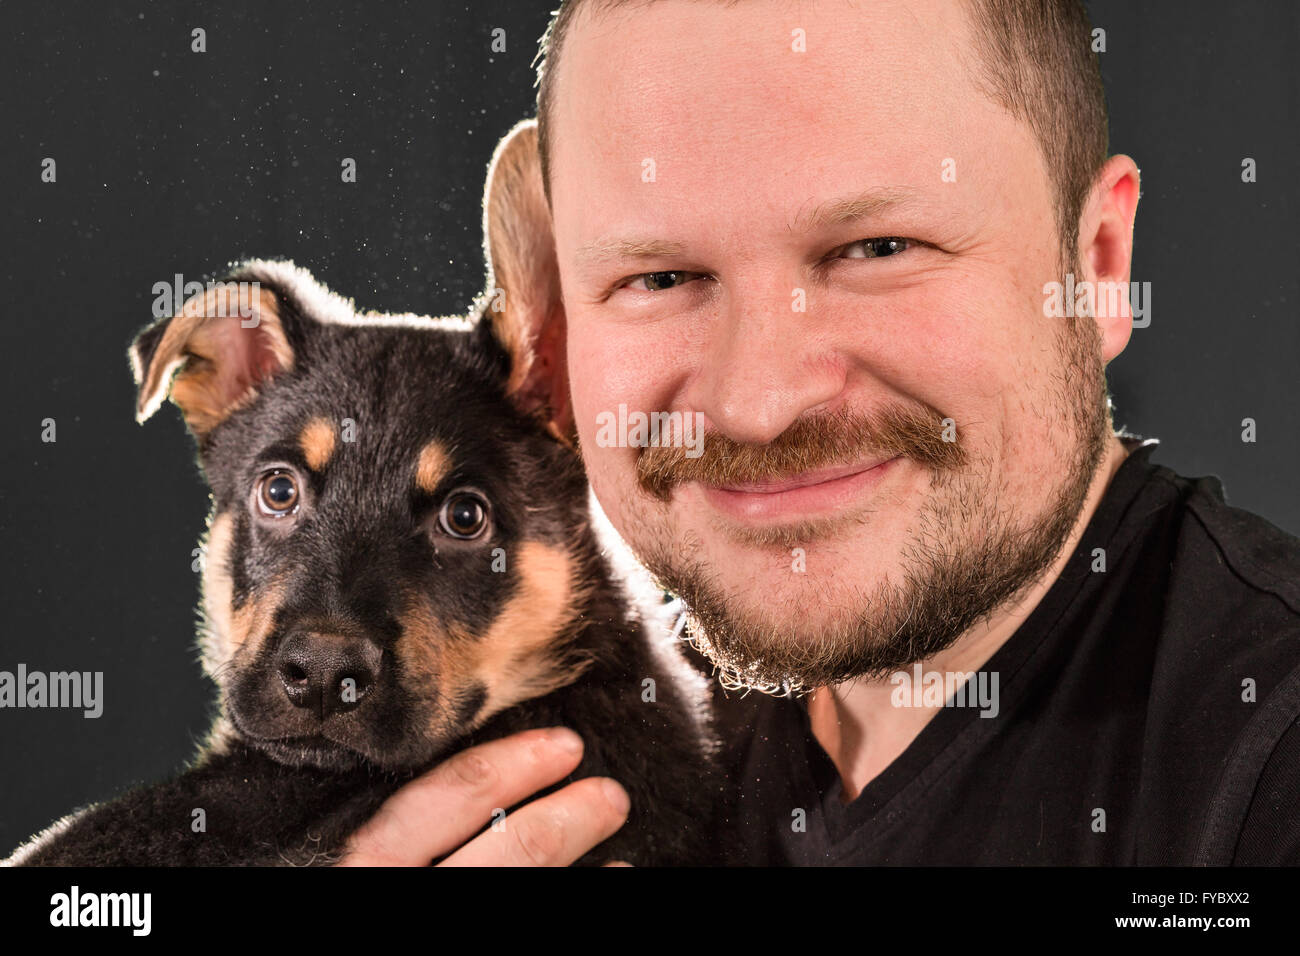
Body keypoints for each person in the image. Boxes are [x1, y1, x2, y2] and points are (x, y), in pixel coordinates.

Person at [340, 0, 1300, 866]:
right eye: (660, 277)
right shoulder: (539, 737)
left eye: (877, 250)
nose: (760, 403)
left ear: (1097, 268)